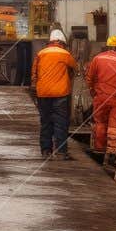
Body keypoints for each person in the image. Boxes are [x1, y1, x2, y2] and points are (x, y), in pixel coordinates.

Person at [32, 29, 77, 160]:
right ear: (60, 42)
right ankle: (61, 152)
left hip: (43, 94)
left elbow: (34, 74)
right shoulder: (65, 54)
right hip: (60, 94)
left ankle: (46, 151)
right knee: (61, 123)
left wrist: (36, 88)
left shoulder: (41, 53)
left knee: (46, 122)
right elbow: (76, 68)